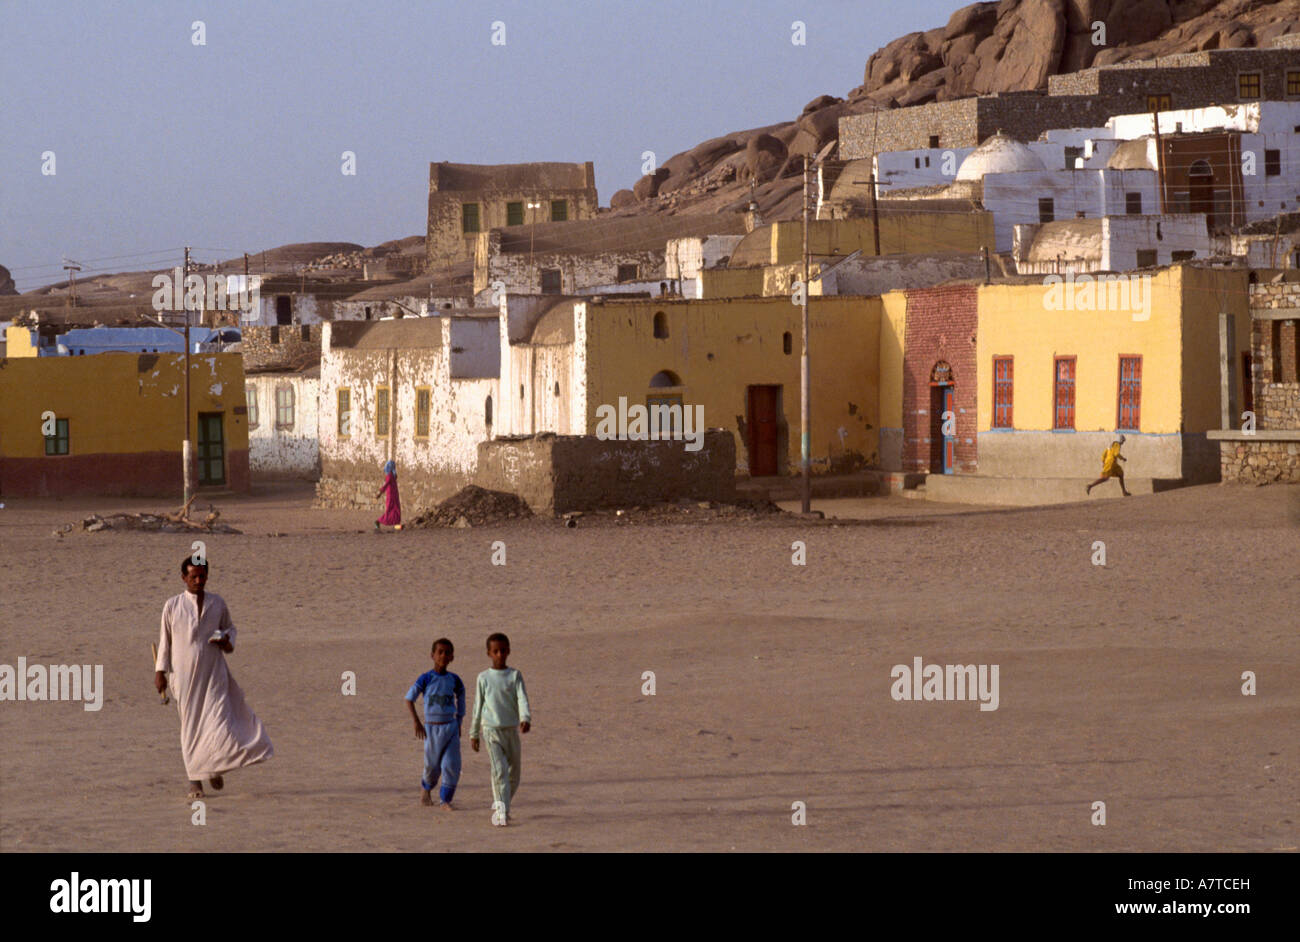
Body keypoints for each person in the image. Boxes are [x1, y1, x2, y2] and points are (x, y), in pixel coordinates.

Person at [155, 556, 274, 799]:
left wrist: (225, 640)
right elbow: (165, 642)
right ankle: (195, 781)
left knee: (219, 721)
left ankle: (213, 765)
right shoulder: (172, 605)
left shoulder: (217, 603)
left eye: (202, 576)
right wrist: (160, 672)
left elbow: (230, 630)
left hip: (214, 673)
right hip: (184, 677)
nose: (198, 580)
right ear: (184, 578)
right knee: (191, 727)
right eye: (193, 576)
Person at [468, 633, 531, 827]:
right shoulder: (483, 677)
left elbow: (522, 698)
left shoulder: (514, 675)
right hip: (490, 731)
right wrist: (474, 733)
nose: (500, 654)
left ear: (509, 651)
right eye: (495, 651)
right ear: (489, 653)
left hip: (511, 730)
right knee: (500, 772)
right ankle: (501, 812)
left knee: (515, 774)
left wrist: (525, 717)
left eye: (503, 650)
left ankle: (502, 804)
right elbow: (477, 706)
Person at [404, 638, 466, 811]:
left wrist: (459, 722)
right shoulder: (426, 678)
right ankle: (426, 789)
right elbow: (409, 699)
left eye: (447, 653)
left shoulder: (455, 680)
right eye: (440, 652)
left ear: (452, 657)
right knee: (432, 765)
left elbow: (461, 699)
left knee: (451, 764)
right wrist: (417, 722)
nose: (443, 656)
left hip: (451, 727)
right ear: (433, 655)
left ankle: (445, 801)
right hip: (432, 729)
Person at [375, 459, 402, 531]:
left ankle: (397, 525)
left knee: (396, 510)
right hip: (391, 496)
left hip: (394, 495)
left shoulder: (393, 475)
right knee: (390, 510)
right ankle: (378, 521)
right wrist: (380, 493)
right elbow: (386, 485)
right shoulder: (390, 476)